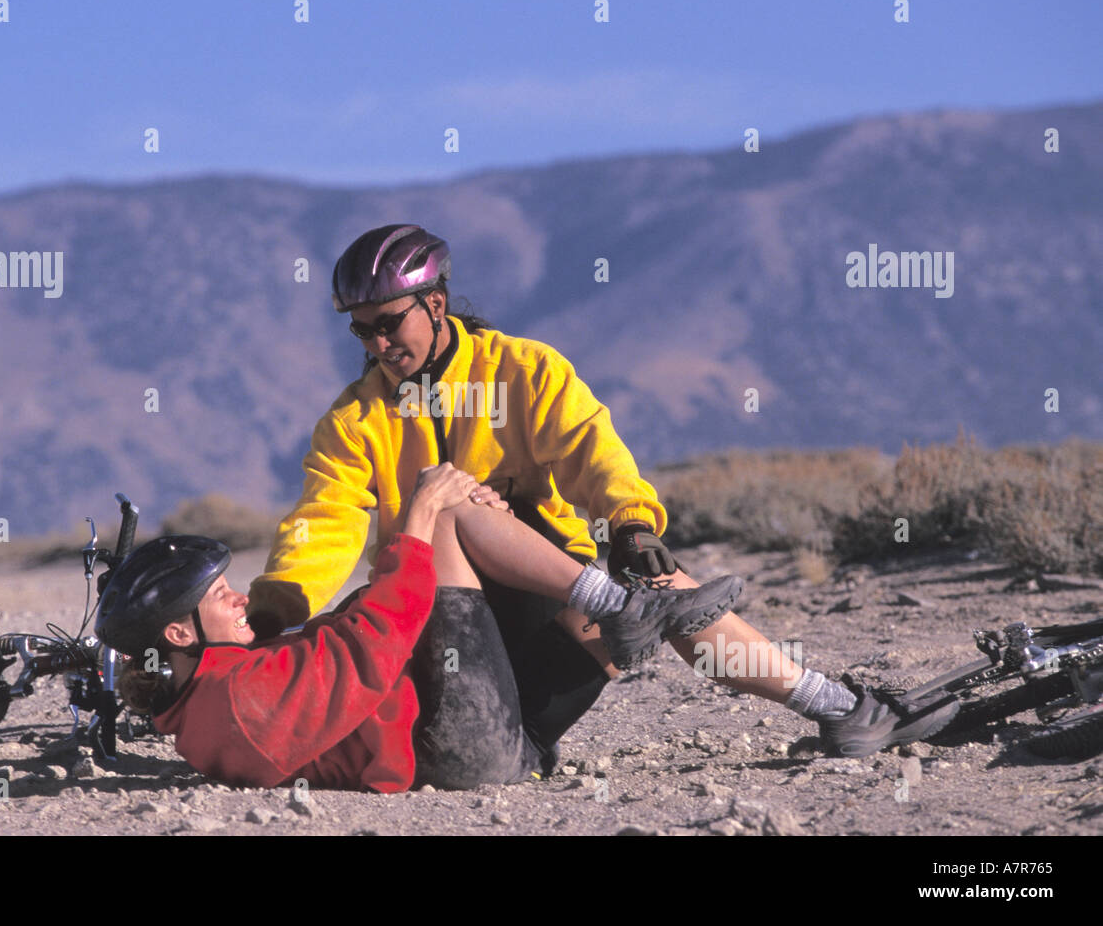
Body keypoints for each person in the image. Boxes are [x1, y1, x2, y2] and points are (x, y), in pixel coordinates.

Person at [245, 223, 939, 763]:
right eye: (359, 327)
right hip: (442, 625)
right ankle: (522, 732)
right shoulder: (352, 418)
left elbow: (591, 448)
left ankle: (840, 708)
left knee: (663, 589)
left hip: (549, 602)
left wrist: (631, 524)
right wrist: (277, 604)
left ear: (435, 302)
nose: (374, 341)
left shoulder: (522, 370)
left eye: (388, 321)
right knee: (456, 505)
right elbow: (324, 521)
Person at [96, 464, 961, 792]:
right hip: (457, 745)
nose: (239, 597)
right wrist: (426, 512)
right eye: (218, 596)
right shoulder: (238, 699)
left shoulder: (215, 690)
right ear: (178, 635)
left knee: (651, 588)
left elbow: (346, 653)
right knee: (448, 523)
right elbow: (364, 653)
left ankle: (841, 706)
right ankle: (625, 609)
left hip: (476, 725)